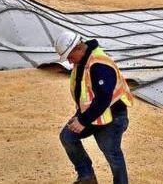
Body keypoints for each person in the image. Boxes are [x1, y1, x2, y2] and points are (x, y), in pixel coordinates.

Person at [54, 31, 134, 184]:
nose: (70, 62)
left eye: (70, 57)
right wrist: (80, 115)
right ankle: (87, 177)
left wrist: (82, 120)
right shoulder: (83, 61)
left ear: (78, 48)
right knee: (68, 136)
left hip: (112, 116)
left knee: (112, 153)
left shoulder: (99, 64)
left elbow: (103, 98)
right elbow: (86, 93)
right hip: (93, 115)